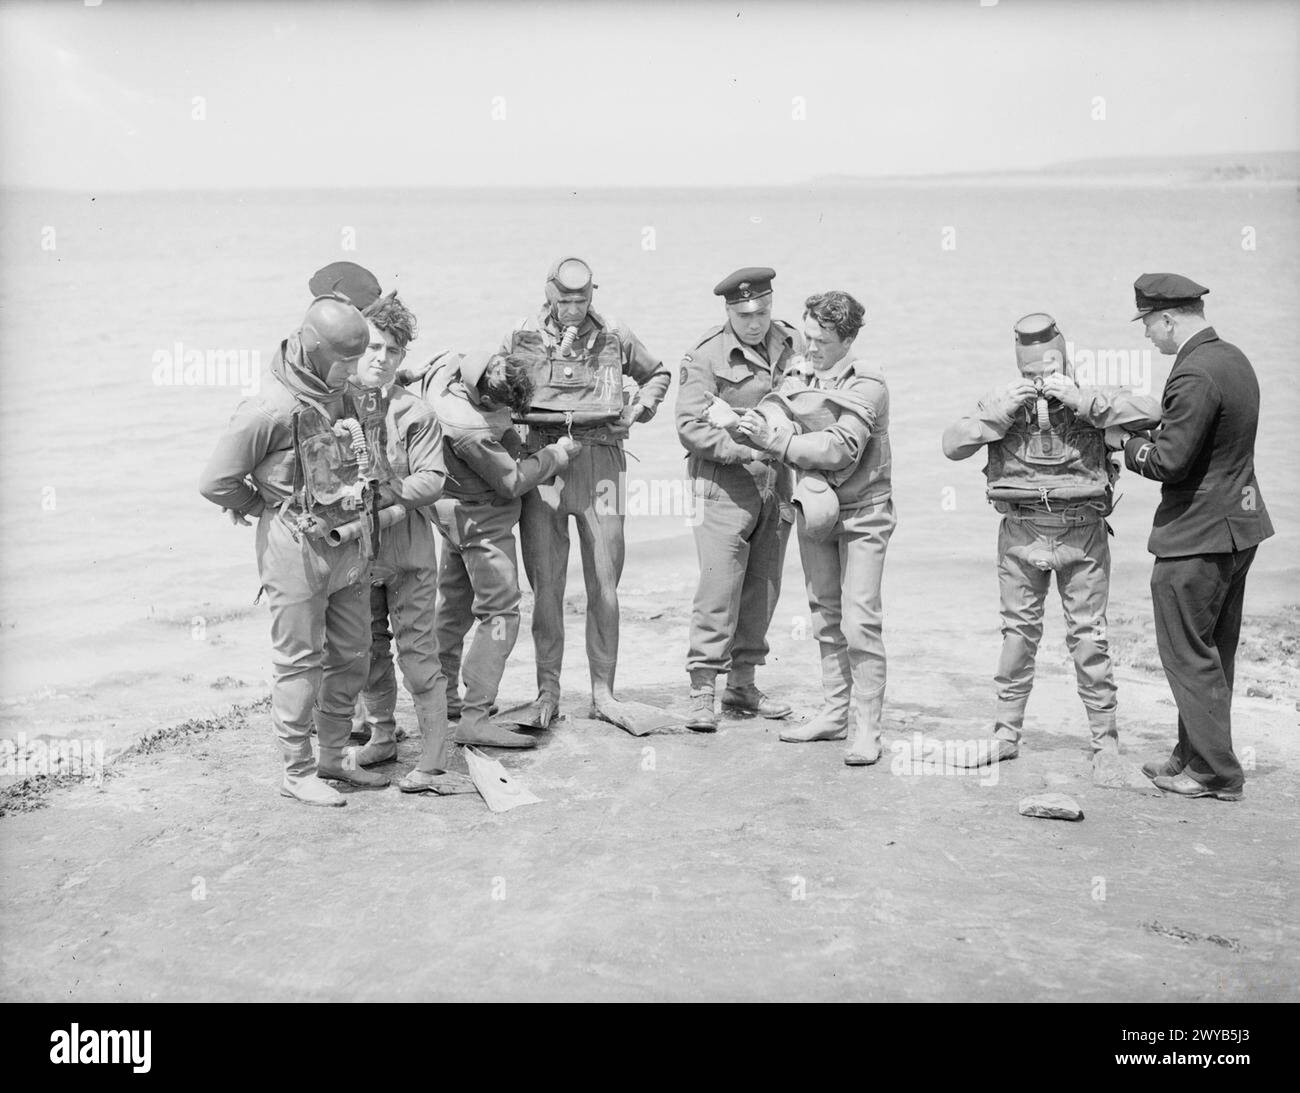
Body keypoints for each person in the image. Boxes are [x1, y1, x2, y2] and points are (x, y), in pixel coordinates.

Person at [199, 294, 403, 805]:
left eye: (357, 360)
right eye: (344, 361)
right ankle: (296, 771)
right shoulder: (267, 408)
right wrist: (262, 503)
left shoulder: (345, 391)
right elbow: (216, 481)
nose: (353, 371)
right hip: (293, 543)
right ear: (314, 351)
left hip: (348, 538)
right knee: (299, 661)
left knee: (353, 652)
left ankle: (333, 756)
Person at [942, 312, 1160, 783]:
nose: (1038, 383)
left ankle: (1105, 744)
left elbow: (1153, 411)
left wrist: (1083, 401)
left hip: (1081, 534)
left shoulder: (1092, 401)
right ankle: (1004, 736)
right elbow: (952, 444)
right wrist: (993, 416)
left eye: (1046, 373)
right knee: (1017, 636)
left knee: (1089, 639)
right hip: (1020, 533)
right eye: (1028, 375)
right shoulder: (1001, 403)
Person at [711, 291, 894, 764]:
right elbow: (779, 401)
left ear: (848, 339)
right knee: (824, 614)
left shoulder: (868, 383)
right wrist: (759, 419)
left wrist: (776, 438)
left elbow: (839, 450)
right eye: (807, 336)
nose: (809, 347)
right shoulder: (801, 367)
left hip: (864, 513)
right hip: (817, 508)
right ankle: (835, 714)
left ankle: (868, 727)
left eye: (822, 341)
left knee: (860, 621)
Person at [498, 257, 671, 732]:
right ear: (548, 292)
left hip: (601, 462)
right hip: (545, 461)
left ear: (593, 293)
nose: (573, 308)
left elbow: (658, 373)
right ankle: (547, 691)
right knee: (546, 583)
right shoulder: (520, 333)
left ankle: (603, 693)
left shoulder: (615, 331)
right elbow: (488, 385)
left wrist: (638, 411)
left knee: (605, 581)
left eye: (582, 298)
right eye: (565, 299)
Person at [1122, 273, 1274, 801]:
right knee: (1213, 650)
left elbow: (1170, 461)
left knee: (1187, 653)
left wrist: (1128, 444)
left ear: (1167, 318)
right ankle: (1191, 755)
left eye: (1146, 323)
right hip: (1239, 526)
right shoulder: (1233, 358)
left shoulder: (1193, 374)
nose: (1146, 335)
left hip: (1197, 536)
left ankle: (1215, 774)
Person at [407, 350, 580, 749]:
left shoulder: (447, 368)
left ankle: (444, 697)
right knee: (501, 614)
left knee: (452, 606)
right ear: (485, 399)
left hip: (448, 510)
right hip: (481, 521)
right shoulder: (471, 429)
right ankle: (475, 716)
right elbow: (512, 481)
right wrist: (556, 454)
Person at [346, 291, 474, 795]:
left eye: (393, 351)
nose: (380, 358)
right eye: (373, 346)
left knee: (418, 654)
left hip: (409, 555)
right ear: (356, 346)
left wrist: (387, 493)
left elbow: (433, 479)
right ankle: (382, 733)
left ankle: (436, 756)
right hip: (355, 556)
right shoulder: (336, 405)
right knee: (366, 649)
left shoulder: (414, 412)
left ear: (403, 358)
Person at [675, 267, 805, 732]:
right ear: (728, 310)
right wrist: (743, 448)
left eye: (763, 311)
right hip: (722, 486)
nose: (755, 321)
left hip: (778, 482)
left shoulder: (792, 343)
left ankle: (743, 686)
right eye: (745, 313)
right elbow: (690, 427)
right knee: (718, 589)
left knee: (763, 587)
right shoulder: (705, 355)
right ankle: (701, 691)